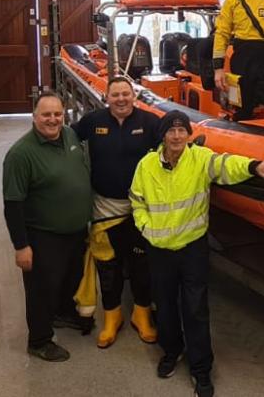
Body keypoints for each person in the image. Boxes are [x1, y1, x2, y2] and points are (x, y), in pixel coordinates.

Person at [130, 110, 264, 397]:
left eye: (181, 131)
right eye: (171, 131)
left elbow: (226, 166)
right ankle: (171, 352)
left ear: (188, 135)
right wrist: (147, 229)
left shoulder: (200, 159)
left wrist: (254, 166)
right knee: (165, 306)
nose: (176, 136)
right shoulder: (146, 165)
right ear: (163, 134)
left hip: (192, 248)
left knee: (196, 309)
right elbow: (137, 200)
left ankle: (201, 368)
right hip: (160, 249)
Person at [2, 91, 94, 362]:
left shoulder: (70, 135)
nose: (52, 119)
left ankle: (64, 313)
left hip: (76, 230)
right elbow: (13, 204)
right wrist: (21, 246)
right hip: (44, 234)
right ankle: (39, 340)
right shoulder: (20, 154)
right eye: (46, 114)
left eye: (57, 113)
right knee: (41, 289)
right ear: (34, 116)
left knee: (69, 279)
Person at [74, 76, 161, 349]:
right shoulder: (93, 121)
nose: (121, 99)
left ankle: (141, 314)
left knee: (142, 263)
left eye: (126, 94)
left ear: (133, 96)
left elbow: (171, 148)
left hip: (140, 207)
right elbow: (66, 139)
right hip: (105, 206)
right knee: (107, 266)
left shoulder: (150, 123)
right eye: (115, 95)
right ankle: (112, 316)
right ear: (106, 97)